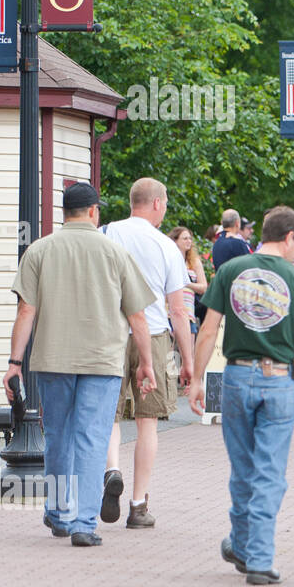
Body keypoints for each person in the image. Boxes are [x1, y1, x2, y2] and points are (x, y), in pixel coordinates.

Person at [6, 182, 156, 547]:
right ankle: (84, 524)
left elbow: (27, 310)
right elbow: (138, 316)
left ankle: (58, 513)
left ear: (64, 213)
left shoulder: (40, 250)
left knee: (58, 436)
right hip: (102, 363)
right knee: (92, 438)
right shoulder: (115, 253)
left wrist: (14, 364)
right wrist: (146, 364)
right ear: (93, 211)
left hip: (53, 359)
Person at [190, 206, 294, 585]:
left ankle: (242, 545)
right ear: (289, 238)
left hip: (236, 377)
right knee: (270, 473)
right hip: (279, 381)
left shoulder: (231, 271)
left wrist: (197, 379)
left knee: (244, 468)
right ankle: (258, 558)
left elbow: (209, 330)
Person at [99, 178, 196, 529]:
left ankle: (112, 470)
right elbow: (178, 311)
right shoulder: (167, 246)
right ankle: (138, 505)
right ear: (156, 203)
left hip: (110, 335)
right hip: (153, 337)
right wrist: (188, 360)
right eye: (166, 202)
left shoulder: (106, 233)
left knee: (107, 415)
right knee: (147, 424)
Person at [168, 225, 207, 335]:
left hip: (189, 312)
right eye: (185, 238)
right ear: (175, 241)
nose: (189, 241)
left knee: (189, 349)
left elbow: (203, 287)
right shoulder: (169, 260)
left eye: (190, 238)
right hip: (169, 312)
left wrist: (187, 284)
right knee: (170, 351)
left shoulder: (194, 262)